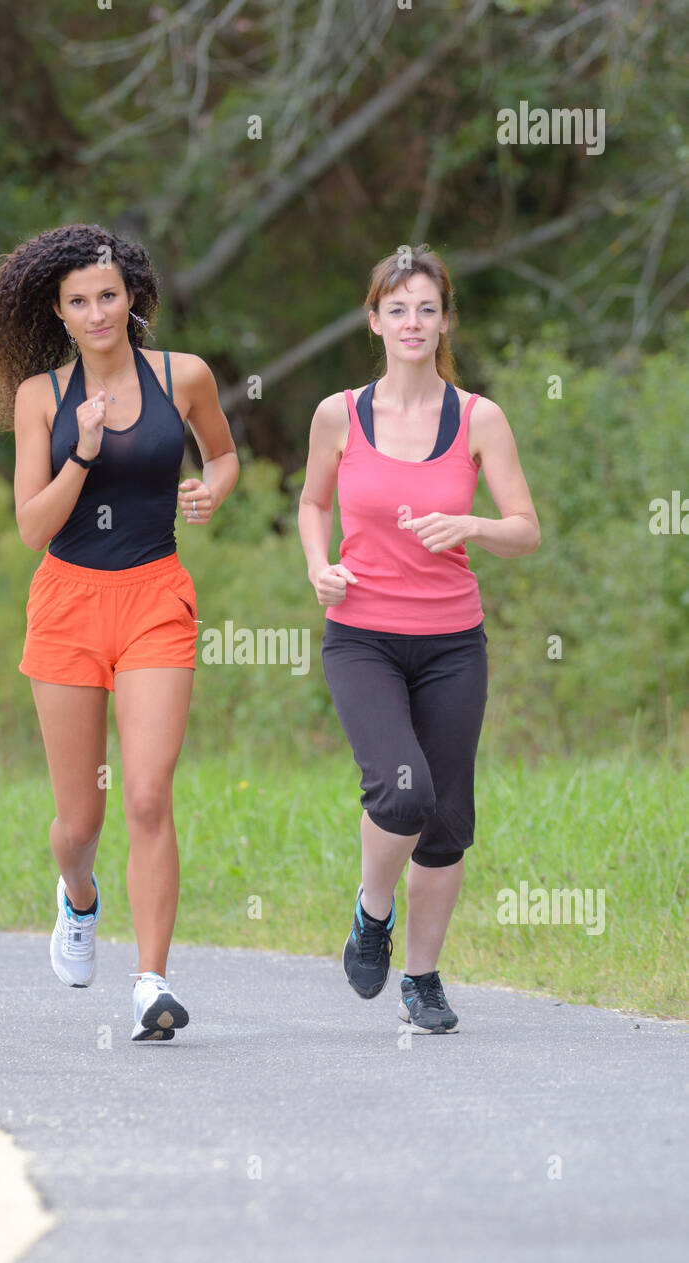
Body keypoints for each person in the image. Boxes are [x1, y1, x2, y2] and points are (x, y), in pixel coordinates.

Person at [0, 224, 239, 1041]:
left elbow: (224, 456)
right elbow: (29, 525)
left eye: (108, 296)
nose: (96, 313)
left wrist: (210, 488)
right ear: (57, 310)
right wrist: (80, 455)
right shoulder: (40, 398)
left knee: (149, 795)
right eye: (79, 301)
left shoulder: (181, 376)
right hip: (68, 603)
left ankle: (151, 983)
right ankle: (78, 898)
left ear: (133, 299)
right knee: (80, 820)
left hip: (156, 594)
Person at [298, 245, 540, 1034]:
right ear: (374, 320)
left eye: (426, 308)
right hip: (361, 637)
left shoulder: (478, 418)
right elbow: (310, 505)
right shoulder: (339, 414)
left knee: (446, 820)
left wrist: (471, 523)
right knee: (402, 790)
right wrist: (317, 566)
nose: (412, 322)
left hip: (450, 644)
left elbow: (524, 530)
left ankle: (424, 978)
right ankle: (372, 914)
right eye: (396, 308)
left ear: (443, 321)